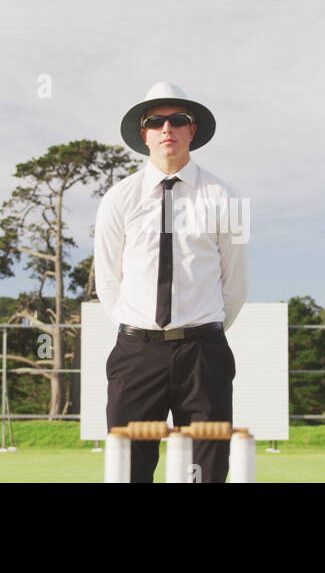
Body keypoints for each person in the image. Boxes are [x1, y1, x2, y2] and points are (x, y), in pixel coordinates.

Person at [93, 82, 249, 482]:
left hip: (203, 355)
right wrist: (141, 330)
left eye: (178, 120)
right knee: (128, 471)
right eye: (156, 121)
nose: (168, 129)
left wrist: (199, 330)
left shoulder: (225, 198)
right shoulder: (118, 199)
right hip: (136, 353)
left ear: (191, 131)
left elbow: (235, 283)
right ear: (143, 133)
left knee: (206, 470)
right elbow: (109, 281)